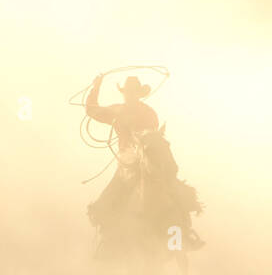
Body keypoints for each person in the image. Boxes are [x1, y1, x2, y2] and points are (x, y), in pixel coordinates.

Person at [84, 73, 204, 250]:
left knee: (177, 193)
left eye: (133, 92)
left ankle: (182, 237)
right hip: (127, 164)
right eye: (128, 92)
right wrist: (95, 88)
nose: (130, 95)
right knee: (105, 204)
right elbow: (92, 110)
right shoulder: (118, 110)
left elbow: (153, 137)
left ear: (139, 94)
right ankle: (109, 243)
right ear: (124, 94)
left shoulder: (148, 113)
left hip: (150, 160)